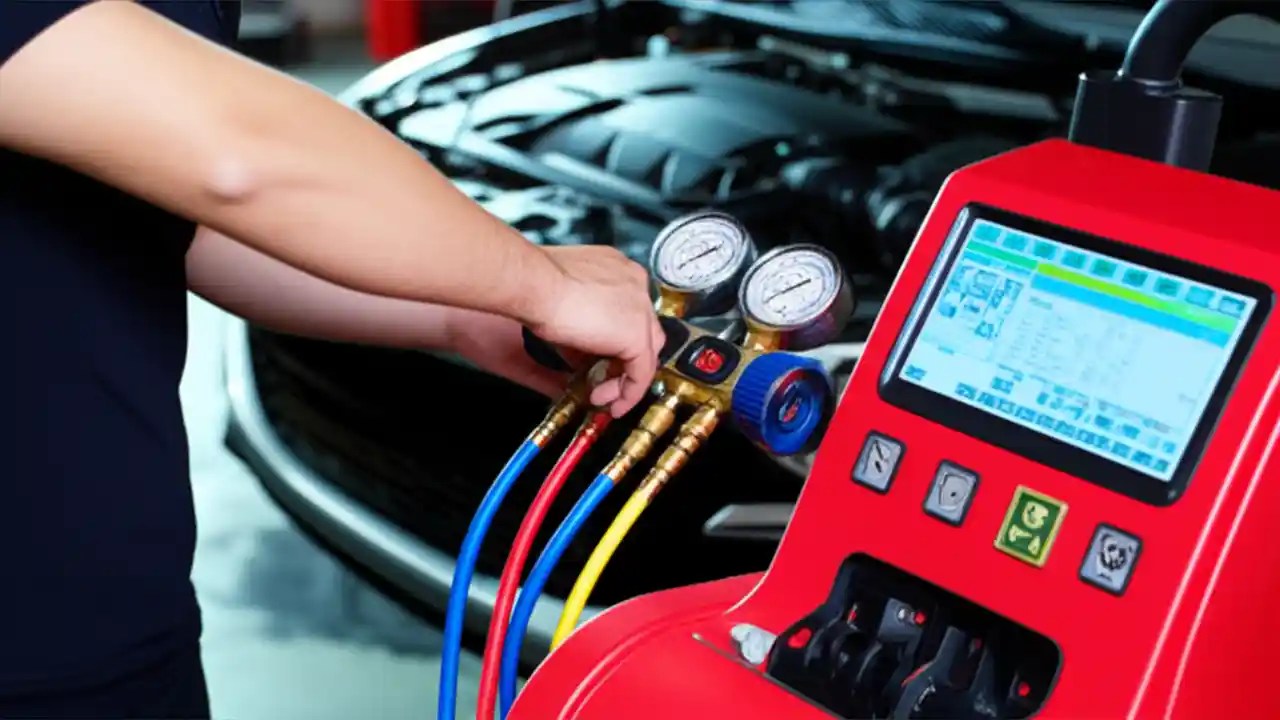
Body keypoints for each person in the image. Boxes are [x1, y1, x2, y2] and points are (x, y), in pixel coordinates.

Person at [0, 1, 663, 716]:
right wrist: (540, 283)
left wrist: (468, 308)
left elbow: (176, 216)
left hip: (111, 608)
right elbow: (234, 153)